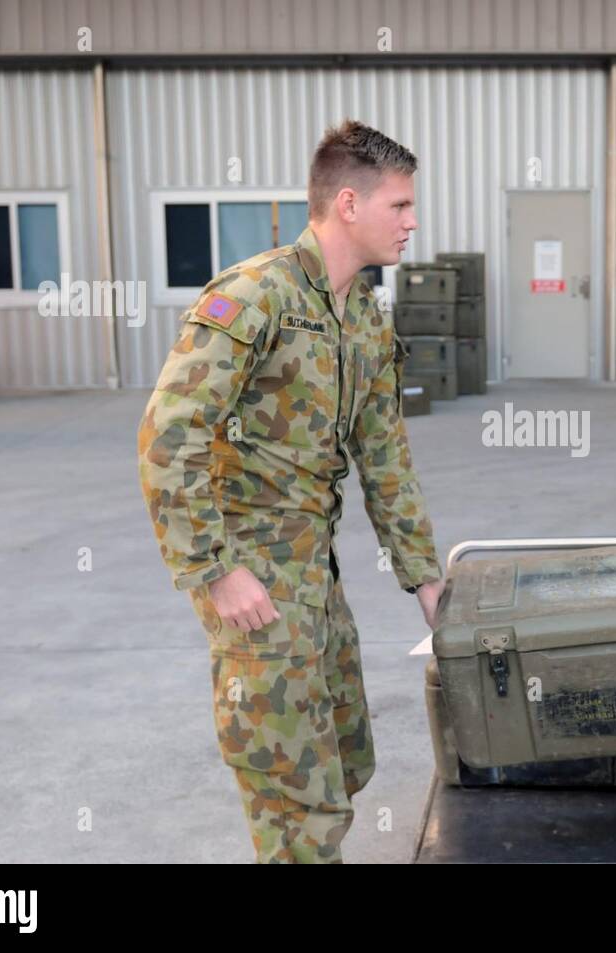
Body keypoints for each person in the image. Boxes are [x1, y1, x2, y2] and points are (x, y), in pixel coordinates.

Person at [138, 120, 444, 863]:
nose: (411, 222)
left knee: (342, 752)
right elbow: (166, 437)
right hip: (253, 572)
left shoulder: (362, 316)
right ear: (348, 203)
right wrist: (214, 569)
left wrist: (425, 578)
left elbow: (385, 457)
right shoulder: (256, 297)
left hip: (315, 569)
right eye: (399, 206)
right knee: (292, 792)